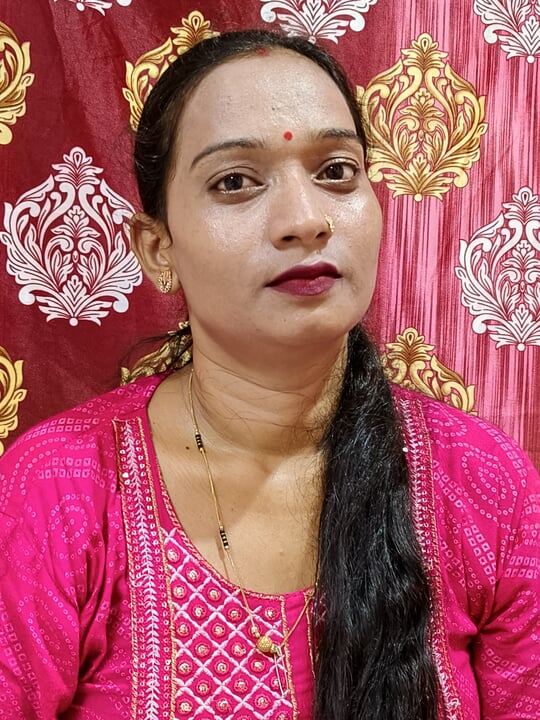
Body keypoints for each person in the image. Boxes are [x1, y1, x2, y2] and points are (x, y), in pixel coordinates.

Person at [0, 29, 538, 720]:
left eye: (336, 171)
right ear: (158, 249)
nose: (304, 220)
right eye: (235, 181)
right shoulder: (59, 494)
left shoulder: (483, 484)